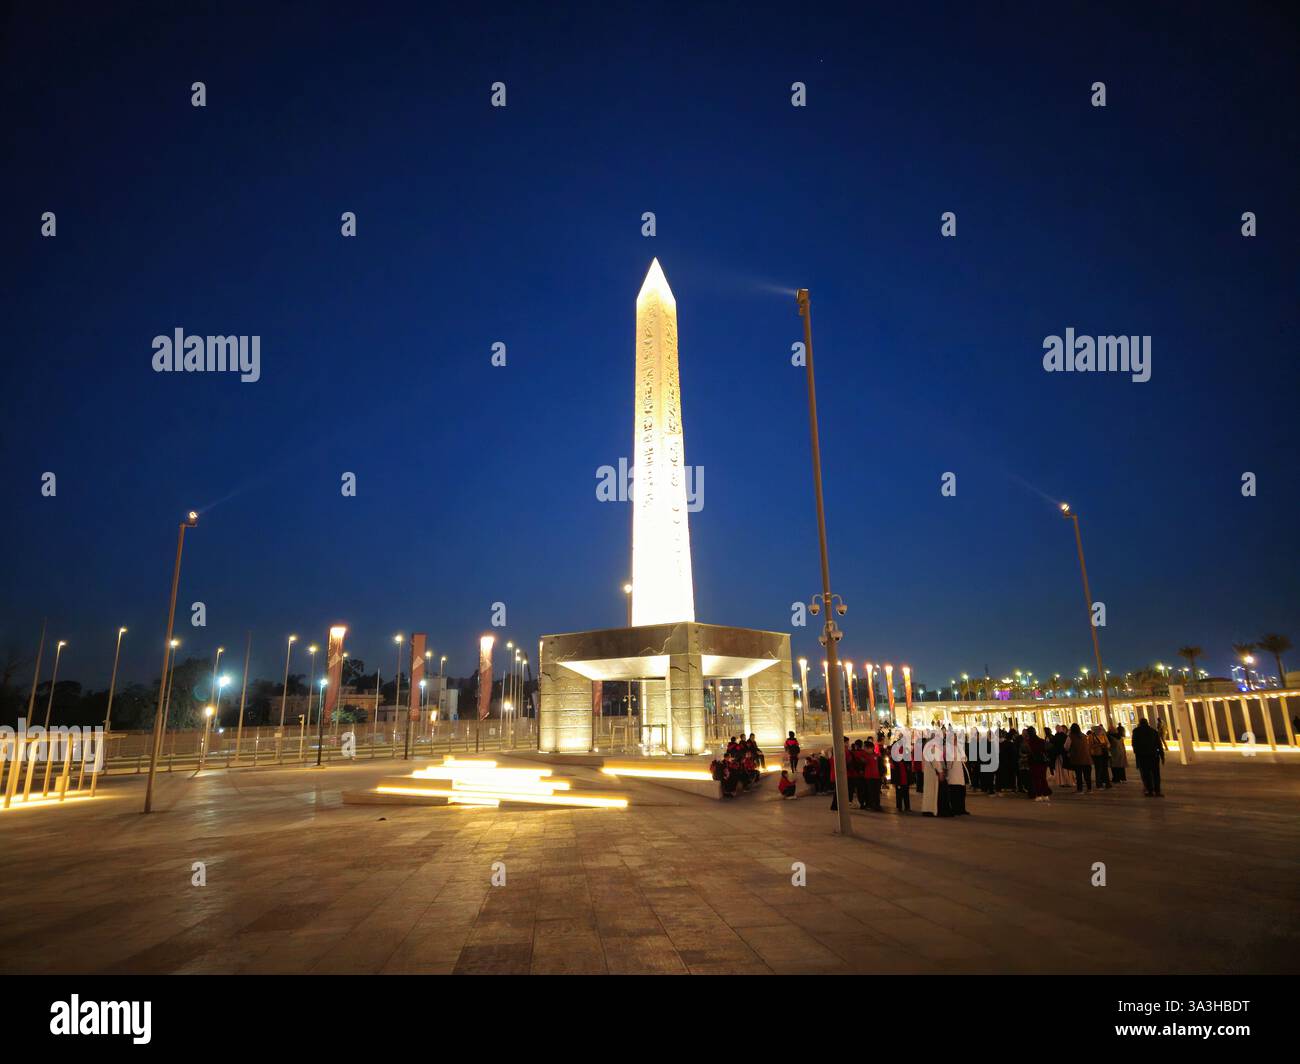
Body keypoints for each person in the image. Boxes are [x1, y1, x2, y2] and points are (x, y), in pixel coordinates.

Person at [1131, 717, 1164, 797]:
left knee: (1146, 774)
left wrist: (1137, 754)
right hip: (1154, 756)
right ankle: (1157, 791)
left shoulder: (1136, 731)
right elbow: (1159, 744)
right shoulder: (1153, 731)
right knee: (1156, 774)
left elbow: (1134, 744)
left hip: (1142, 757)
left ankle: (1149, 790)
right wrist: (1162, 756)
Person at [1022, 725, 1052, 802]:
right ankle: (1045, 795)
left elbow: (1024, 751)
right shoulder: (1041, 741)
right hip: (1042, 762)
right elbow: (1049, 748)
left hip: (1033, 762)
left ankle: (1038, 795)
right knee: (1043, 778)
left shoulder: (1028, 743)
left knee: (1036, 779)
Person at [944, 729, 968, 815]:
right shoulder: (948, 748)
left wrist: (963, 757)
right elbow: (950, 760)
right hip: (953, 773)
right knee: (954, 793)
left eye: (955, 738)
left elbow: (965, 758)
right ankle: (955, 809)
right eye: (953, 738)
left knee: (961, 792)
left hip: (960, 773)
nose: (954, 740)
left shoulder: (959, 747)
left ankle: (962, 809)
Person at [1066, 722, 1092, 792]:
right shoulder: (1084, 735)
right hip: (1086, 758)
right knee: (1087, 775)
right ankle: (1089, 789)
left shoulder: (1070, 736)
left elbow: (1066, 746)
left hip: (1077, 757)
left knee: (1078, 774)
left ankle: (1080, 789)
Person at [1088, 725, 1112, 790]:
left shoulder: (1103, 735)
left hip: (1104, 753)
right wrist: (1099, 745)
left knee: (1105, 768)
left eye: (1100, 730)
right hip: (1096, 754)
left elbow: (1108, 743)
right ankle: (1099, 784)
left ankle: (1107, 783)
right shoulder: (1091, 736)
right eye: (1099, 730)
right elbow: (1090, 746)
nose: (1100, 731)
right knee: (1098, 769)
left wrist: (1106, 745)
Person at [862, 737, 883, 811]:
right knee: (870, 792)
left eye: (866, 748)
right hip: (868, 777)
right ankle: (872, 805)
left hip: (875, 777)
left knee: (875, 792)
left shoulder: (877, 756)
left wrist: (881, 775)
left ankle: (876, 805)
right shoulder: (864, 756)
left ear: (870, 748)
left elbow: (881, 767)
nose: (864, 749)